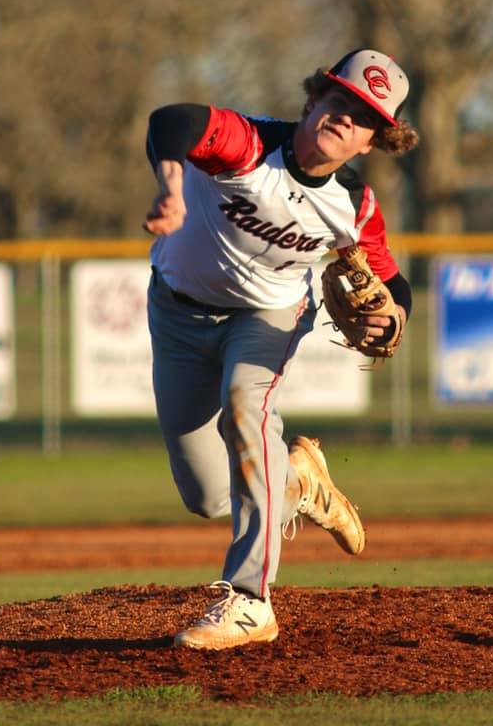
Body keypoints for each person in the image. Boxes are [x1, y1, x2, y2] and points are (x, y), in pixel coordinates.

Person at [143, 48, 420, 651]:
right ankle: (299, 481)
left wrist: (394, 317)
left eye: (365, 118)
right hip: (177, 314)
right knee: (209, 496)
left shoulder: (353, 205)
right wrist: (171, 185)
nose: (347, 119)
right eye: (340, 101)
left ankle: (250, 600)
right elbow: (172, 120)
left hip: (268, 317)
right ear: (313, 99)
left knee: (248, 408)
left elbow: (392, 282)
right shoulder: (243, 146)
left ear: (373, 141)